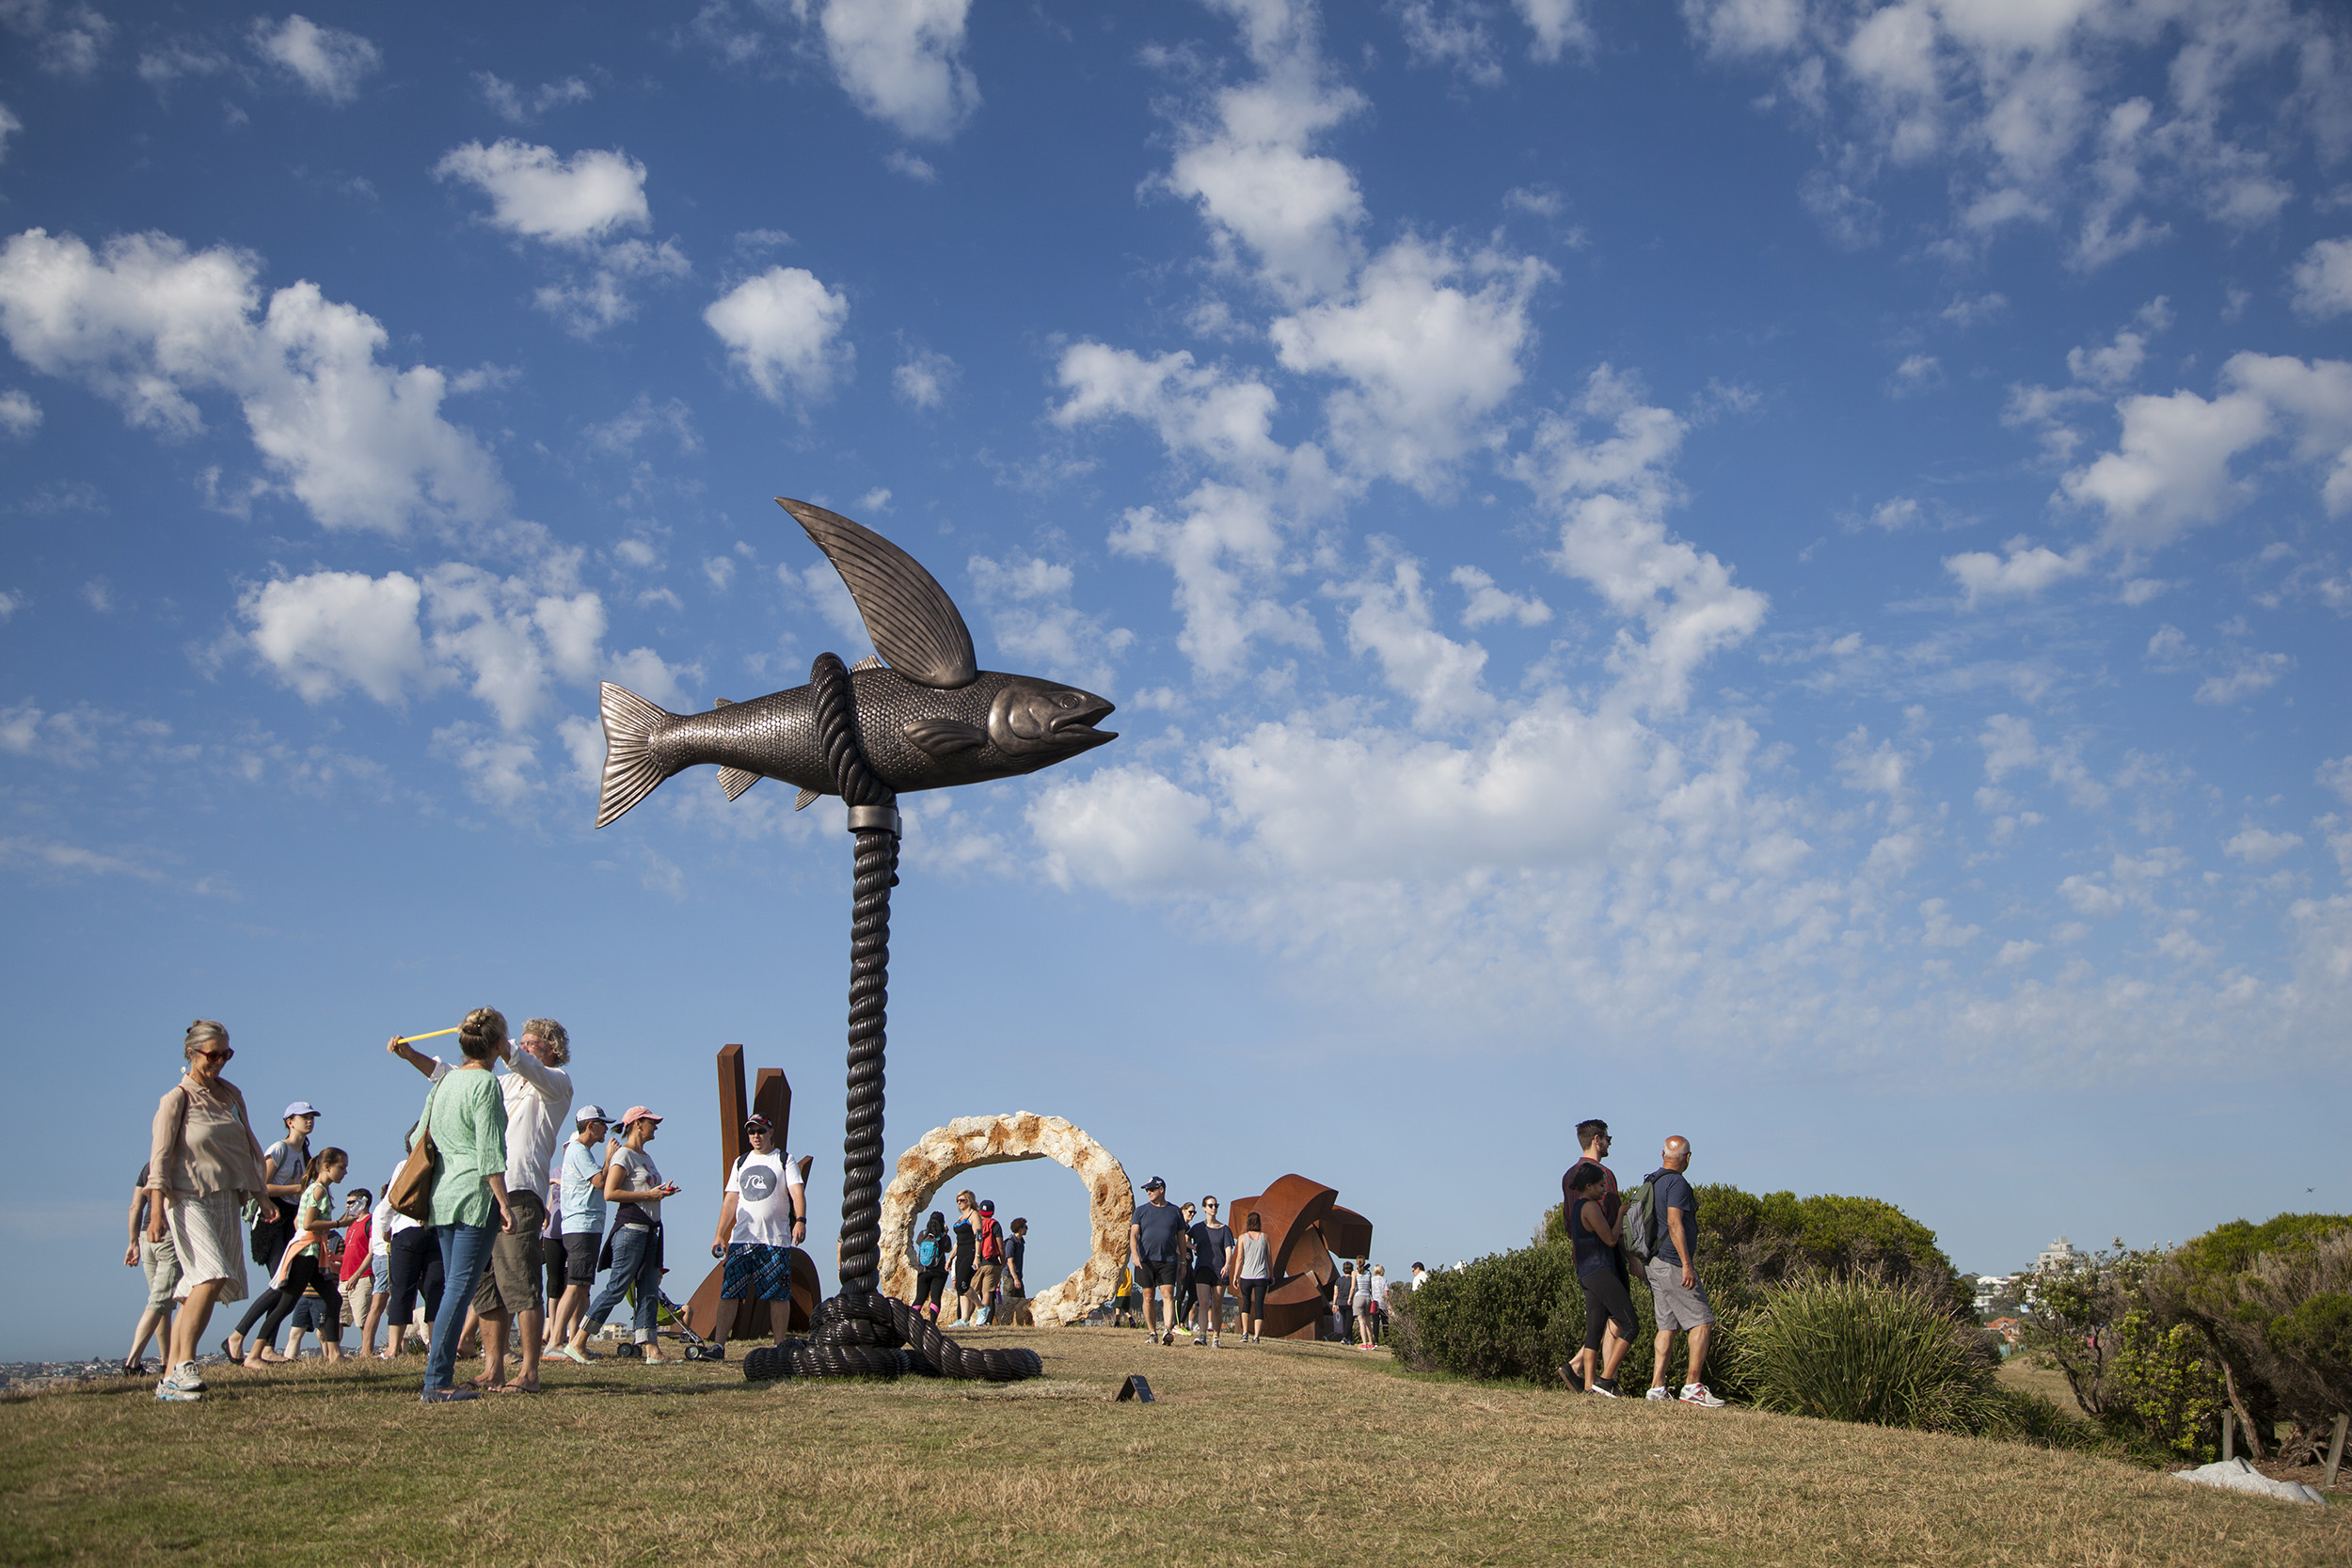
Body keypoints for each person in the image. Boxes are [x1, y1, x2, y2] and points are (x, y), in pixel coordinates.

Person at [391, 1015, 571, 1394]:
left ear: (552, 1049)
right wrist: (411, 1056)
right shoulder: (499, 1081)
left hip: (519, 1189)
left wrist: (501, 1044)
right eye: (518, 1041)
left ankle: (530, 1372)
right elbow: (453, 1074)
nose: (522, 1047)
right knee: (484, 1287)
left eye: (532, 1043)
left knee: (521, 1282)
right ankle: (493, 1368)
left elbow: (525, 1067)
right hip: (482, 1191)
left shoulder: (557, 1085)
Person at [145, 1021, 277, 1402]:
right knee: (212, 1272)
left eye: (226, 1054)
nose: (220, 1061)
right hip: (186, 1197)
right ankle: (185, 1364)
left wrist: (260, 1194)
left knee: (201, 1287)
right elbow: (159, 1160)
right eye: (212, 1054)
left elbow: (247, 1147)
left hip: (226, 1199)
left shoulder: (231, 1095)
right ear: (191, 1053)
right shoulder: (176, 1099)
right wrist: (155, 1212)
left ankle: (170, 1377)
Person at [413, 1007, 515, 1403]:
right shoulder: (485, 1083)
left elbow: (418, 1137)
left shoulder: (445, 1082)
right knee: (460, 1287)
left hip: (443, 1193)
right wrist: (504, 1203)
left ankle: (436, 1377)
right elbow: (490, 1150)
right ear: (496, 1045)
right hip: (474, 1194)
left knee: (455, 1286)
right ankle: (436, 1381)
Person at [572, 1106, 677, 1363]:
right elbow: (610, 1193)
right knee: (617, 1287)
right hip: (630, 1231)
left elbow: (644, 1188)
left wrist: (661, 1192)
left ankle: (652, 1349)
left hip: (651, 1232)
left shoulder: (646, 1157)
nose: (656, 1126)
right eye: (651, 1122)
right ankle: (578, 1341)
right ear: (637, 1124)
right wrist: (649, 1195)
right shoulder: (624, 1155)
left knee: (649, 1289)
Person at [223, 1099, 322, 1364]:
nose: (309, 1120)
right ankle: (237, 1336)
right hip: (270, 1217)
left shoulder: (305, 1154)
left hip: (291, 1219)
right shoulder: (280, 1149)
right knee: (280, 1282)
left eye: (311, 1116)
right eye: (303, 1117)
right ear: (290, 1122)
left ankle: (266, 1346)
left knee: (288, 1285)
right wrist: (296, 1190)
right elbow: (261, 1185)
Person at [709, 1114, 806, 1355]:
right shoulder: (741, 1162)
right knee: (730, 1291)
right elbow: (731, 1199)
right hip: (742, 1239)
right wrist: (719, 1234)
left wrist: (801, 1220)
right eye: (751, 1132)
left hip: (774, 1240)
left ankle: (779, 1345)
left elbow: (797, 1193)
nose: (756, 1136)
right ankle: (719, 1345)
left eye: (760, 1131)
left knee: (778, 1294)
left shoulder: (784, 1160)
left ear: (770, 1132)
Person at [247, 1147, 351, 1366]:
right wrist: (340, 1224)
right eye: (341, 1167)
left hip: (312, 1252)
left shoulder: (315, 1189)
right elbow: (307, 1223)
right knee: (285, 1305)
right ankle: (254, 1354)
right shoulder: (319, 1190)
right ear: (326, 1167)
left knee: (333, 1299)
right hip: (306, 1253)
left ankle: (334, 1354)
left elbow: (298, 1223)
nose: (344, 1172)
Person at [1645, 1135, 1724, 1407]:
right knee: (1702, 1321)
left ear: (1663, 1154)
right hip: (1673, 1262)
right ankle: (1692, 1387)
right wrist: (1687, 1264)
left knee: (1667, 1325)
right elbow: (1674, 1222)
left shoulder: (1652, 1180)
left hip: (1654, 1263)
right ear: (1687, 1158)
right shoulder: (1677, 1183)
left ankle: (1656, 1387)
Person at [1563, 1163, 1636, 1397]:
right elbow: (1611, 1239)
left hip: (1585, 1273)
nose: (1604, 1189)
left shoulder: (1577, 1208)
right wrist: (1621, 1215)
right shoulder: (1591, 1208)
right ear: (1589, 1186)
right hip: (1599, 1271)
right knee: (1631, 1324)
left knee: (1593, 1331)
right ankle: (1606, 1380)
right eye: (1601, 1185)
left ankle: (1588, 1386)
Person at [1562, 1118, 1622, 1390]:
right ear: (1597, 1140)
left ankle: (1580, 1368)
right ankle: (1605, 1379)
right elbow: (1612, 1217)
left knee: (1598, 1316)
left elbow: (1566, 1221)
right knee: (1616, 1317)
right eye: (1608, 1138)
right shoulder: (1604, 1176)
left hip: (1581, 1255)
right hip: (1606, 1254)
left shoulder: (1568, 1176)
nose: (1609, 1143)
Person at [548, 1105, 611, 1362]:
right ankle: (554, 1342)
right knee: (574, 1285)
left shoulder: (581, 1152)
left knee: (583, 1286)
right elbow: (600, 1181)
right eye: (602, 1123)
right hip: (581, 1225)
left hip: (587, 1225)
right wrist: (609, 1157)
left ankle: (575, 1342)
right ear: (589, 1126)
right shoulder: (579, 1150)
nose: (606, 1128)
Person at [380, 1135, 443, 1360]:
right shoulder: (443, 1165)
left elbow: (392, 1199)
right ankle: (435, 1346)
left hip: (405, 1231)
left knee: (401, 1290)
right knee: (435, 1289)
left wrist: (384, 1228)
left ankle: (393, 1348)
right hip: (437, 1230)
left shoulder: (404, 1165)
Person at [122, 1164, 179, 1375]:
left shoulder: (148, 1167)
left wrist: (133, 1242)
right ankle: (132, 1363)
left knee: (162, 1304)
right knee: (158, 1302)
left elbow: (135, 1207)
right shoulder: (181, 1161)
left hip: (146, 1239)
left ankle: (167, 1362)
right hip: (168, 1237)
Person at [1129, 1177, 1189, 1346]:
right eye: (1147, 1190)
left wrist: (1183, 1262)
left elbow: (1181, 1239)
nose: (1148, 1192)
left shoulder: (1174, 1211)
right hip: (1145, 1260)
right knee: (1148, 1296)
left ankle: (1168, 1331)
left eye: (1151, 1189)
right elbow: (1133, 1235)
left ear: (1161, 1190)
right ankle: (1152, 1332)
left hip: (1168, 1260)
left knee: (1168, 1294)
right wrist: (1135, 1255)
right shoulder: (1141, 1211)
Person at [1187, 1196, 1233, 1348]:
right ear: (1204, 1208)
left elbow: (1228, 1249)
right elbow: (1184, 1238)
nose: (1214, 1208)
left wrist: (1227, 1265)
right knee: (1204, 1303)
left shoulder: (1224, 1229)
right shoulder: (1198, 1228)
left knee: (1217, 1305)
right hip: (1202, 1269)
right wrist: (1192, 1248)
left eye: (1216, 1205)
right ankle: (1202, 1335)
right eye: (1210, 1205)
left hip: (1219, 1269)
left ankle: (1216, 1336)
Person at [337, 1188, 373, 1349]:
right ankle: (334, 1353)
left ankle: (366, 1352)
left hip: (362, 1277)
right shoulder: (351, 1225)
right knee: (338, 1318)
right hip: (344, 1278)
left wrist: (356, 1275)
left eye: (351, 1202)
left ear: (362, 1202)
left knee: (362, 1320)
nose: (348, 1206)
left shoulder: (371, 1222)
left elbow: (371, 1252)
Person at [1230, 1210, 1270, 1344]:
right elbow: (1269, 1258)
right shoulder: (1265, 1237)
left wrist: (1235, 1275)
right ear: (1259, 1223)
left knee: (1246, 1304)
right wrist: (1272, 1274)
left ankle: (1245, 1333)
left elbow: (1239, 1258)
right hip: (1261, 1276)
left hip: (1246, 1275)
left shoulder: (1242, 1238)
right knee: (1259, 1305)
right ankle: (1257, 1337)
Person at [971, 1198, 1006, 1325]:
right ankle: (984, 1321)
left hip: (977, 1262)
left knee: (973, 1292)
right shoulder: (995, 1225)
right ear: (993, 1212)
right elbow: (1000, 1245)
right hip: (992, 1263)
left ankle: (965, 1319)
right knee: (988, 1294)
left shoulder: (977, 1224)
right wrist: (1002, 1261)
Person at [947, 1192, 979, 1326]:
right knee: (959, 1287)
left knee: (962, 1283)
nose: (959, 1203)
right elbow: (958, 1241)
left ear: (969, 1200)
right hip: (960, 1253)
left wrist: (977, 1256)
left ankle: (981, 1307)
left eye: (962, 1200)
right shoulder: (961, 1218)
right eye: (957, 1200)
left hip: (970, 1252)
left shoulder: (974, 1215)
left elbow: (979, 1237)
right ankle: (964, 1319)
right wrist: (950, 1258)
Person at [911, 1212, 949, 1320]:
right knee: (935, 1298)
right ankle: (932, 1323)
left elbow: (918, 1243)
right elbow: (948, 1249)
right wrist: (945, 1233)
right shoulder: (944, 1237)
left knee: (920, 1297)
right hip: (939, 1272)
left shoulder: (922, 1234)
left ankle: (912, 1321)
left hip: (923, 1270)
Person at [1174, 1202, 1200, 1331]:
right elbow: (1178, 1241)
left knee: (1193, 1294)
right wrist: (1183, 1253)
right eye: (1190, 1212)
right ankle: (1176, 1323)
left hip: (1189, 1263)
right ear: (1183, 1211)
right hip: (1181, 1262)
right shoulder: (1179, 1226)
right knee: (1180, 1293)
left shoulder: (1188, 1227)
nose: (1192, 1215)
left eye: (1194, 1213)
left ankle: (1182, 1321)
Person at [1004, 1217, 1031, 1325]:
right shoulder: (1011, 1243)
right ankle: (1005, 1323)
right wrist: (1015, 1278)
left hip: (1018, 1276)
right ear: (1019, 1228)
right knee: (1008, 1301)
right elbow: (1009, 1262)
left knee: (1022, 1301)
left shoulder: (1021, 1242)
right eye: (1025, 1227)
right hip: (1010, 1276)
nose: (1027, 1229)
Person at [1352, 1256, 1376, 1347]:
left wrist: (1350, 1298)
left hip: (1359, 1297)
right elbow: (1370, 1287)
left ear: (1357, 1263)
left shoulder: (1355, 1273)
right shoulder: (1368, 1273)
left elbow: (1353, 1287)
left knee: (1361, 1321)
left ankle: (1364, 1343)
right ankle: (1371, 1343)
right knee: (1368, 1322)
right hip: (1367, 1297)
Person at [1367, 1263, 1390, 1345]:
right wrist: (1389, 1305)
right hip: (1383, 1304)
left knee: (1375, 1323)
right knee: (1385, 1323)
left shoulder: (1371, 1280)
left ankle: (1376, 1340)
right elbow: (1386, 1294)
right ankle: (1387, 1341)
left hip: (1374, 1304)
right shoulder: (1384, 1280)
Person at [1335, 1261, 1357, 1344]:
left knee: (1347, 1321)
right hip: (1349, 1302)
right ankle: (1345, 1337)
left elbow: (1336, 1293)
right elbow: (1353, 1288)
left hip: (1340, 1303)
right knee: (1349, 1322)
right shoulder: (1353, 1280)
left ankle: (1350, 1340)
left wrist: (1334, 1303)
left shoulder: (1339, 1280)